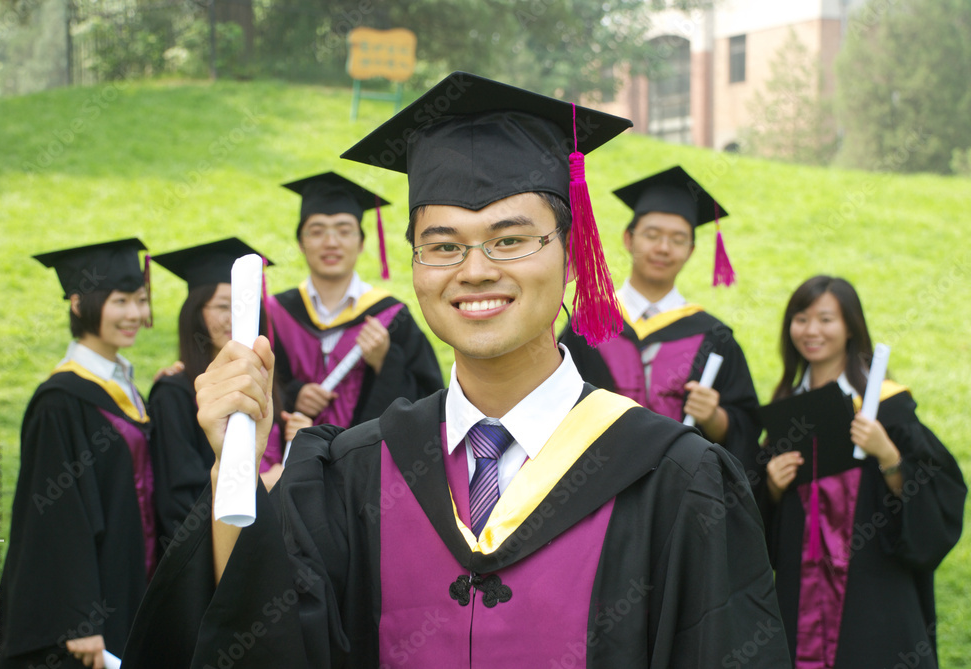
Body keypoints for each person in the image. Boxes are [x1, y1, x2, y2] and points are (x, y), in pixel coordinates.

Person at [123, 72, 790, 667]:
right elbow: (262, 637)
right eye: (442, 246)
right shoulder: (354, 473)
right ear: (414, 267)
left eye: (510, 239)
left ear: (571, 255)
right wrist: (230, 460)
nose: (474, 270)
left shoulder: (673, 478)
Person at [760, 275, 965, 669]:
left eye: (826, 319)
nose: (812, 330)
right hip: (798, 591)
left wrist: (888, 455)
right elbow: (759, 523)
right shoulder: (788, 408)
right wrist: (770, 486)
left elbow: (943, 493)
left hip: (874, 588)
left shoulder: (887, 406)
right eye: (801, 319)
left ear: (851, 326)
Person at [0, 239, 154, 669]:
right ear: (80, 303)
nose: (135, 314)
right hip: (90, 604)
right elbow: (55, 516)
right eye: (120, 301)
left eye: (139, 300)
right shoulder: (61, 400)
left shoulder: (124, 386)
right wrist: (78, 619)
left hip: (126, 576)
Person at [561, 165, 762, 473]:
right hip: (592, 484)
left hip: (680, 490)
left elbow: (747, 430)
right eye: (652, 235)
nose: (663, 248)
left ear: (691, 251)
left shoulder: (714, 336)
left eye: (678, 239)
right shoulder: (586, 323)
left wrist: (715, 418)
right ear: (628, 239)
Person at [148, 238, 311, 544]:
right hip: (214, 556)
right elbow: (178, 500)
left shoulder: (265, 380)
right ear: (196, 311)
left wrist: (298, 439)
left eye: (243, 305)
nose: (235, 318)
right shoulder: (173, 393)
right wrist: (262, 484)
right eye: (224, 306)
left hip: (274, 540)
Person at [267, 172, 443, 427]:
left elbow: (429, 399)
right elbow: (256, 386)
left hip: (365, 460)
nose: (331, 242)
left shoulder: (391, 316)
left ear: (361, 243)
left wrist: (386, 361)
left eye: (344, 231)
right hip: (288, 460)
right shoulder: (275, 313)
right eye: (316, 232)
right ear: (300, 243)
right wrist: (293, 395)